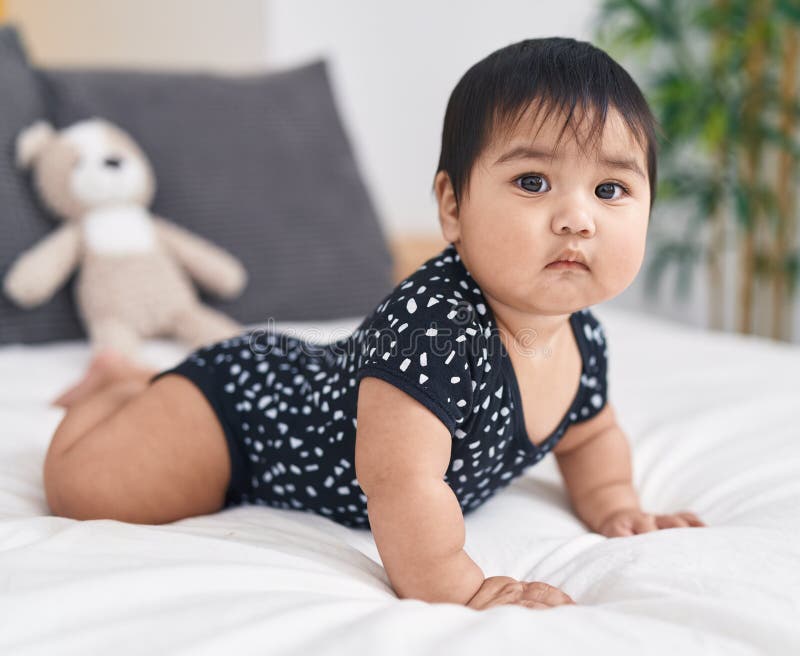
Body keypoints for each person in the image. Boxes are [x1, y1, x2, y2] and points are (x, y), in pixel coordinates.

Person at [42, 37, 705, 612]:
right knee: (87, 488)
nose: (576, 218)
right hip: (242, 418)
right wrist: (460, 587)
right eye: (533, 182)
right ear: (453, 207)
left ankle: (140, 381)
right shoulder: (434, 329)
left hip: (300, 372)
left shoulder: (581, 334)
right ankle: (118, 390)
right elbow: (402, 484)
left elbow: (590, 437)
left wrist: (617, 505)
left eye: (610, 190)